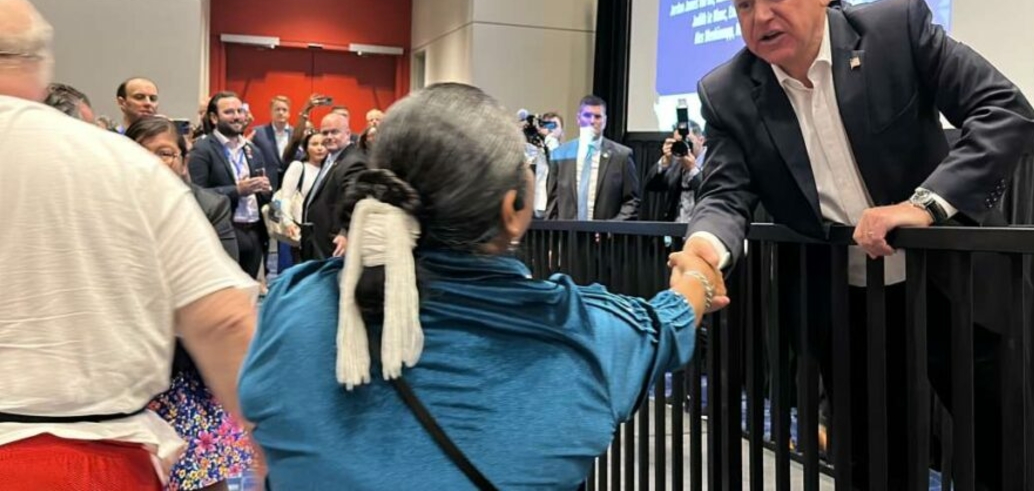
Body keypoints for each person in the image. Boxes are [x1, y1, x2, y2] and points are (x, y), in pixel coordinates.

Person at [675, 0, 1034, 490]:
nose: (760, 15)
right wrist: (703, 250)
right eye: (743, 4)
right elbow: (724, 195)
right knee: (872, 461)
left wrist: (924, 206)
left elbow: (1004, 110)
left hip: (951, 285)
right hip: (844, 304)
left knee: (1001, 448)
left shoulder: (896, 29)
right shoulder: (727, 91)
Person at [238, 83, 728, 488]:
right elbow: (672, 317)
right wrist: (697, 275)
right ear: (512, 210)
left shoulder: (293, 304)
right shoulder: (582, 331)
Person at [0, 0, 258, 490]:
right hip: (84, 462)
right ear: (37, 66)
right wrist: (270, 447)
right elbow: (224, 319)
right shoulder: (118, 164)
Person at [125, 116, 256, 491]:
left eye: (165, 153)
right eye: (141, 152)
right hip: (135, 372)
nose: (154, 161)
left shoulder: (208, 205)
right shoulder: (112, 208)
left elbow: (216, 287)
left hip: (189, 368)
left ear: (184, 161)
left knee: (204, 477)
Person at [189, 91, 274, 279]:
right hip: (225, 231)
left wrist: (266, 190)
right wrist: (237, 190)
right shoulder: (202, 150)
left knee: (249, 293)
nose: (237, 117)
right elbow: (197, 194)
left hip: (254, 231)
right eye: (229, 112)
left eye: (239, 111)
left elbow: (265, 194)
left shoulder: (252, 149)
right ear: (213, 117)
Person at [546, 95, 640, 220]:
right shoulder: (560, 155)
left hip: (605, 236)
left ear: (605, 121)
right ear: (578, 119)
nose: (592, 121)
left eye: (597, 116)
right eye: (587, 115)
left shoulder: (621, 156)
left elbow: (632, 202)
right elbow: (552, 202)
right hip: (567, 235)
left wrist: (609, 229)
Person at [300, 111, 367, 261]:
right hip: (316, 241)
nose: (329, 137)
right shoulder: (329, 158)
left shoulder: (354, 162)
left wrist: (345, 232)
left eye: (335, 132)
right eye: (325, 133)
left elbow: (355, 201)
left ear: (348, 133)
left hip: (334, 246)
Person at [275, 129, 328, 268]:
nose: (319, 148)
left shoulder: (330, 169)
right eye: (314, 144)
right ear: (306, 148)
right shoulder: (299, 166)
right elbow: (285, 197)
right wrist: (288, 222)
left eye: (323, 144)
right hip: (300, 229)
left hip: (324, 231)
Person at [645, 121, 707, 223]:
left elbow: (710, 192)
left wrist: (692, 169)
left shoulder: (714, 161)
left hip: (703, 228)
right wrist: (665, 161)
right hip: (676, 230)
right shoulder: (676, 162)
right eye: (679, 142)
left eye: (688, 141)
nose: (684, 145)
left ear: (701, 140)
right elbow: (651, 186)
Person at [250, 95, 293, 191]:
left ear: (289, 113)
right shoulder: (257, 133)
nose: (281, 113)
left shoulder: (296, 135)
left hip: (290, 186)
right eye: (277, 109)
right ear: (271, 112)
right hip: (266, 186)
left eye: (284, 110)